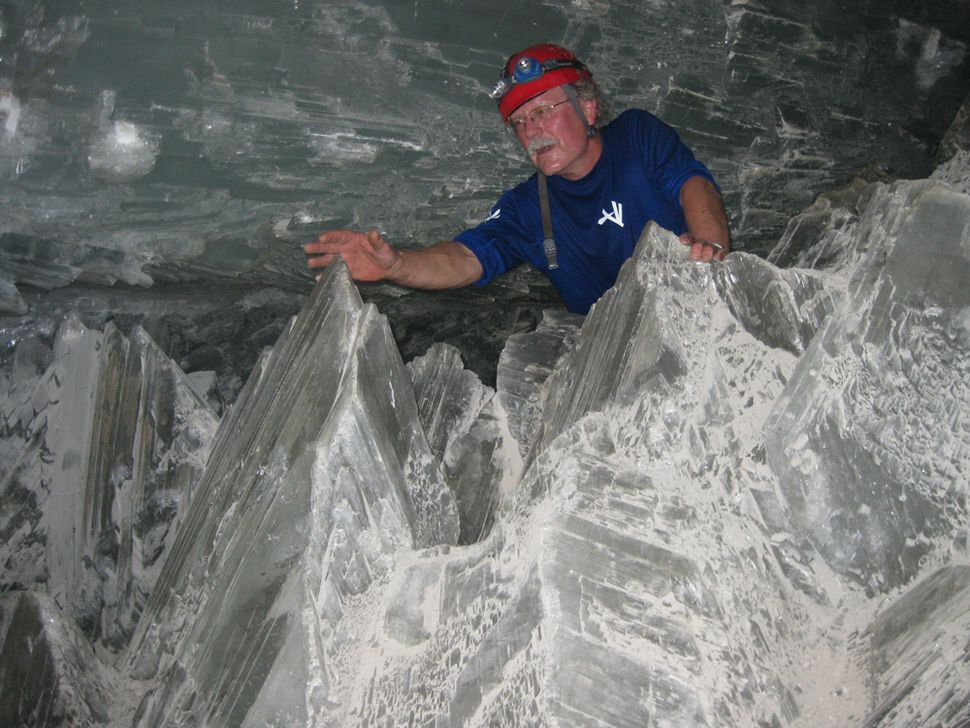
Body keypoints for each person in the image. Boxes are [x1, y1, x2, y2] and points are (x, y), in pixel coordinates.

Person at [305, 43, 730, 315]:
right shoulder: (528, 208)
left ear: (588, 108)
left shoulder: (636, 136)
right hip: (617, 354)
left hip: (695, 307)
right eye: (520, 121)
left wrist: (708, 248)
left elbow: (692, 184)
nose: (531, 130)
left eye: (544, 110)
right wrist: (398, 265)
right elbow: (466, 258)